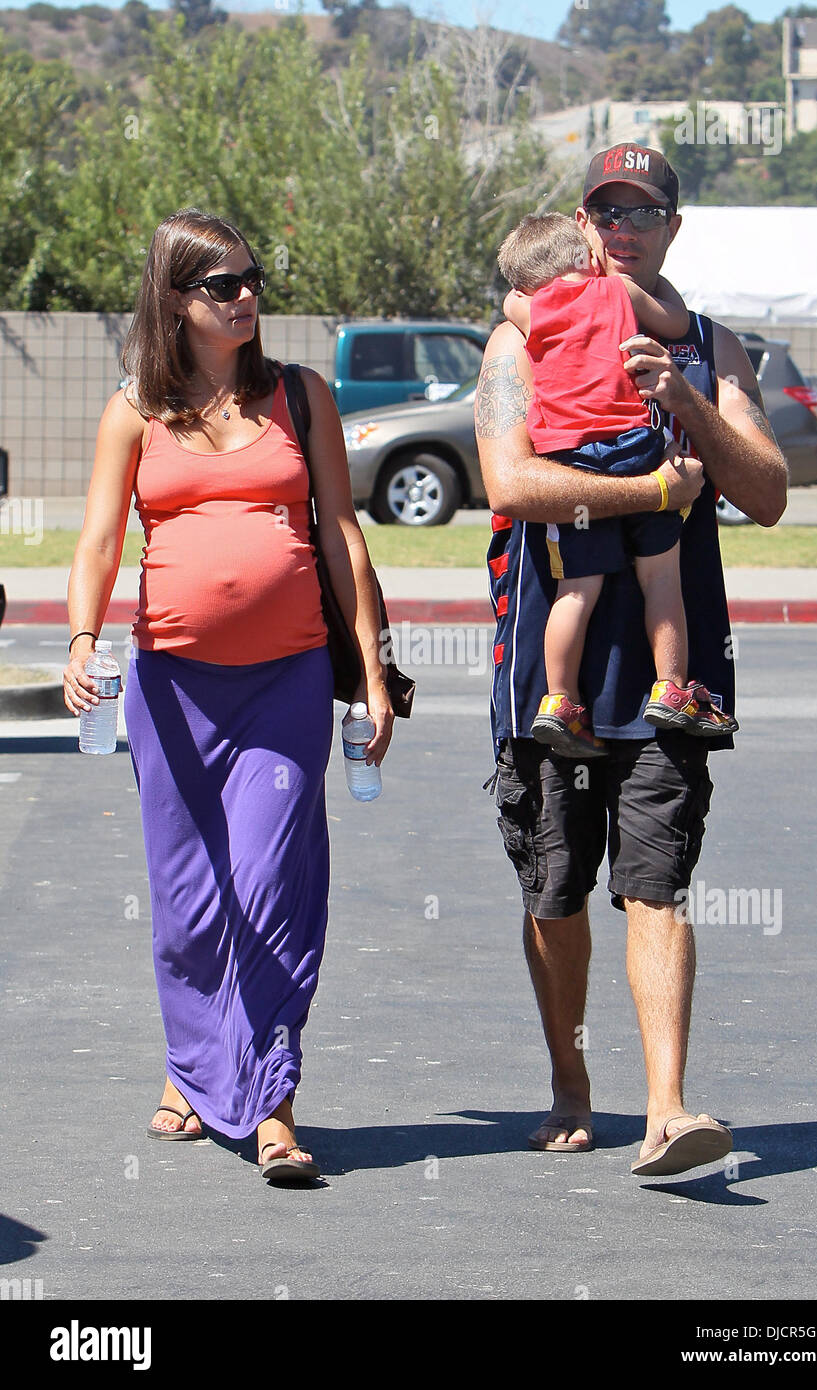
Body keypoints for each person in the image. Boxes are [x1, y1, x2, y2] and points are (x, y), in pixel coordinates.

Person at [64, 208, 393, 1184]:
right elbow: (97, 541)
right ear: (174, 298)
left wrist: (372, 675)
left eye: (252, 280)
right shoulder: (135, 411)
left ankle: (274, 1106)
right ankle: (192, 1070)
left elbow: (341, 536)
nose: (245, 297)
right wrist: (80, 638)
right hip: (170, 691)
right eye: (221, 285)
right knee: (188, 901)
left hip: (285, 683)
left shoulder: (302, 396)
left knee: (271, 886)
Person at [475, 145, 787, 1177]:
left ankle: (666, 1108)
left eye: (641, 211)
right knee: (554, 890)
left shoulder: (704, 346)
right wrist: (653, 493)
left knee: (653, 883)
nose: (621, 228)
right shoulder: (518, 336)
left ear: (671, 227)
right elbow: (513, 486)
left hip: (670, 676)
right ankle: (571, 1084)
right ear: (580, 219)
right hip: (553, 675)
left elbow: (767, 490)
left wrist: (685, 404)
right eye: (604, 210)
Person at [497, 212, 737, 758]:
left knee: (576, 590)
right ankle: (671, 687)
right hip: (633, 446)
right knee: (662, 579)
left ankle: (559, 701)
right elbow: (674, 321)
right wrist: (638, 284)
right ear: (585, 253)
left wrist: (530, 290)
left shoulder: (530, 309)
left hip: (571, 460)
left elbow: (512, 302)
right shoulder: (617, 291)